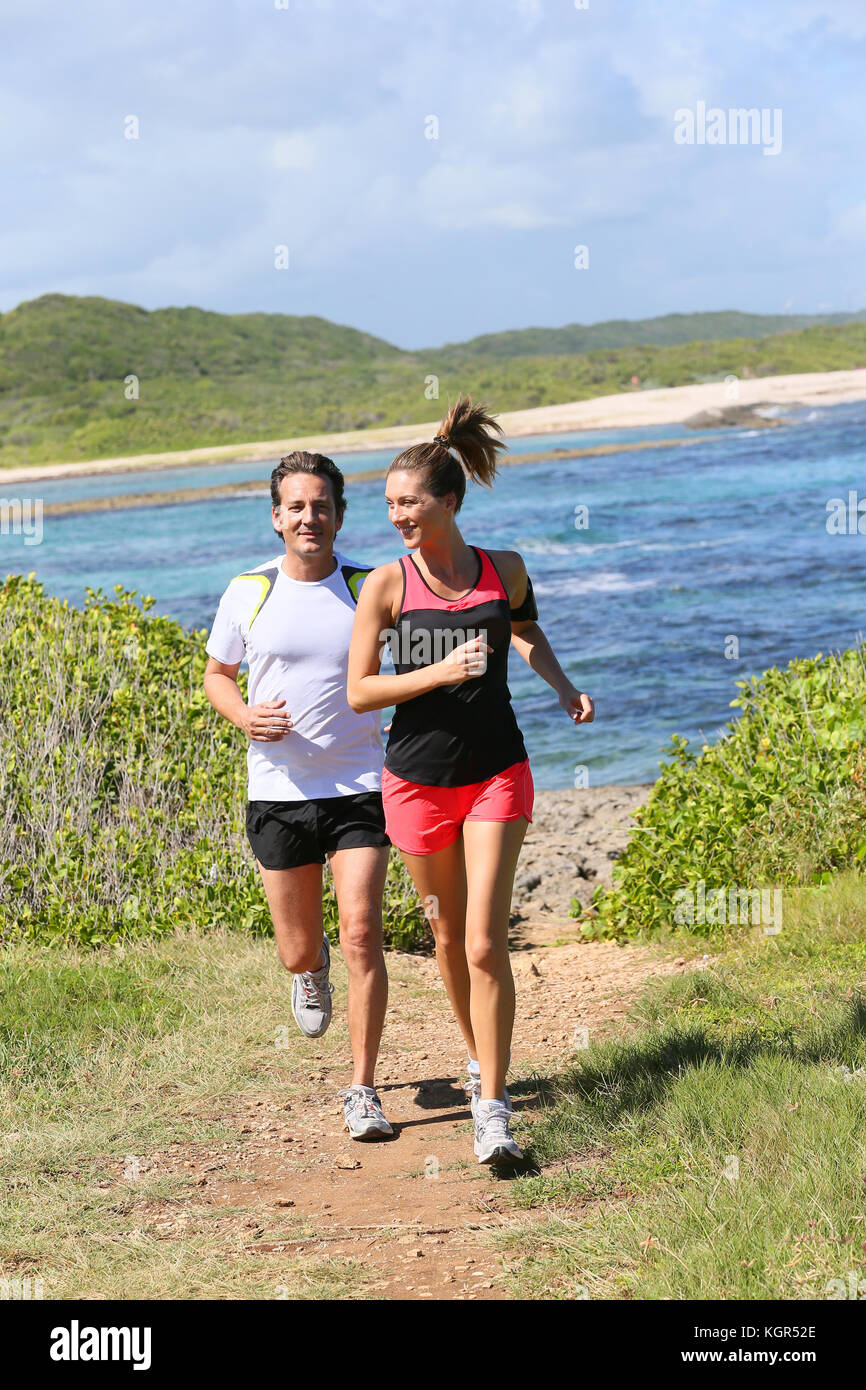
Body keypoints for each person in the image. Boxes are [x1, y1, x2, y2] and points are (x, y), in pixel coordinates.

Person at [347, 398, 594, 1165]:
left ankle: (493, 1107)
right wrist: (437, 672)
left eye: (410, 502)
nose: (398, 516)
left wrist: (560, 685)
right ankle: (481, 1053)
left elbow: (523, 627)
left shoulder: (504, 569)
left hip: (497, 772)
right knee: (447, 936)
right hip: (416, 783)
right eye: (390, 504)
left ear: (448, 502)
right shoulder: (387, 586)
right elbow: (360, 690)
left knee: (486, 941)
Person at [203, 451, 394, 1140]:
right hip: (278, 791)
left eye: (321, 505)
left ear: (340, 514)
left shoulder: (371, 587)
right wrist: (244, 716)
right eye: (296, 506)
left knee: (363, 933)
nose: (309, 516)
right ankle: (309, 971)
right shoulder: (247, 591)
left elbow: (423, 647)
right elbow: (218, 674)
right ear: (278, 517)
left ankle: (362, 1089)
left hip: (358, 788)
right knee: (297, 947)